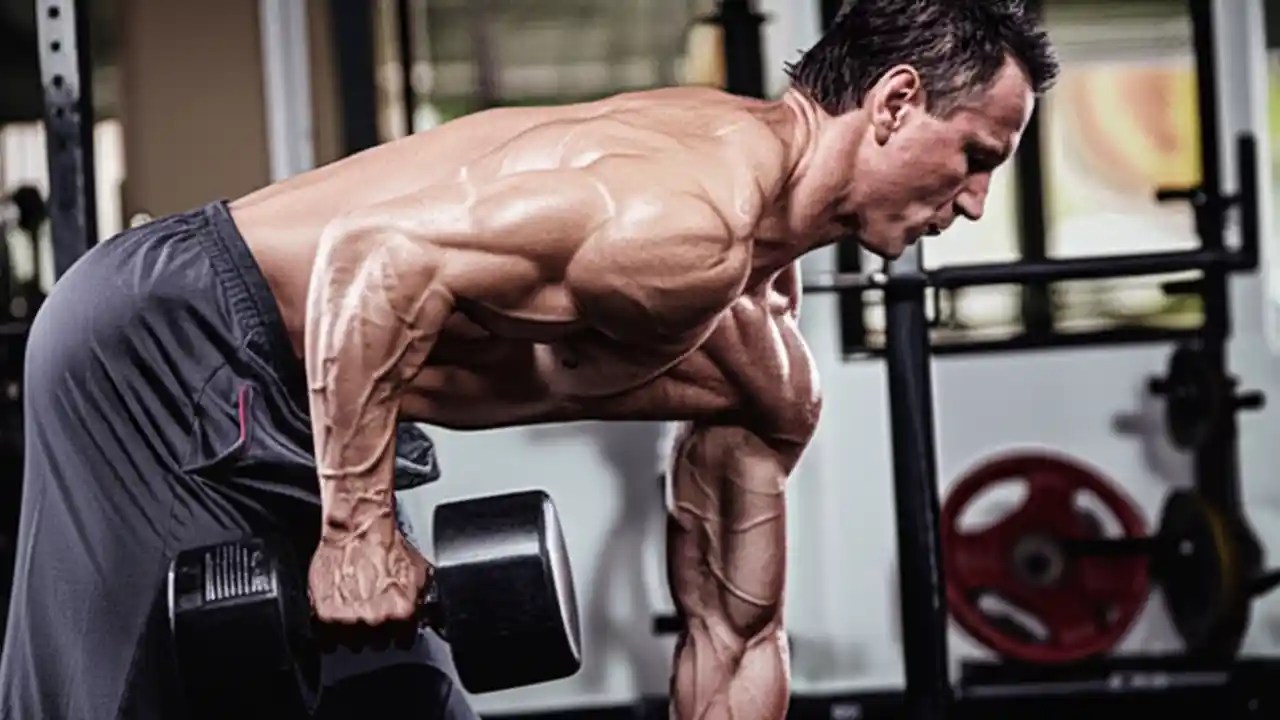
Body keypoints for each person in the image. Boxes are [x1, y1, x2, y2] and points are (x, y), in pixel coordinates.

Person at [0, 0, 1058, 718]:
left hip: (315, 394)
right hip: (168, 337)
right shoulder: (681, 217)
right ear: (893, 103)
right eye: (974, 159)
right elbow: (376, 260)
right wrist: (358, 529)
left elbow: (734, 632)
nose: (971, 203)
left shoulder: (765, 368)